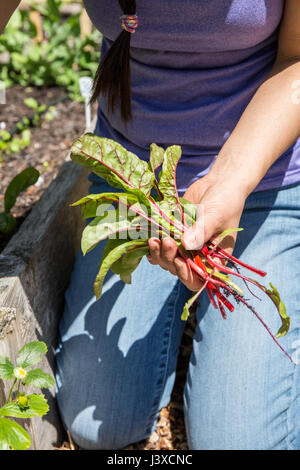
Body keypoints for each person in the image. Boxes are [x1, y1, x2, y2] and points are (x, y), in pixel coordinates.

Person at [2, 0, 300, 450]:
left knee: (236, 441)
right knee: (98, 426)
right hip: (137, 184)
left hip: (265, 177)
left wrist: (231, 181)